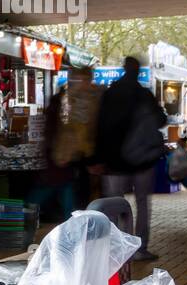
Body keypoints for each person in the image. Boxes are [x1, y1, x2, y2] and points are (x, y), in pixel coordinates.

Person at [95, 55, 167, 259]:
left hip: (114, 162)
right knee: (143, 204)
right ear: (137, 71)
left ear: (123, 69)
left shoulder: (110, 94)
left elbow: (99, 127)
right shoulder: (144, 94)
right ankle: (140, 248)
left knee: (115, 205)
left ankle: (118, 249)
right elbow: (160, 120)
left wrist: (98, 159)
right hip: (142, 161)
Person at [35, 64, 101, 220]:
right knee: (64, 190)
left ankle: (70, 221)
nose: (83, 83)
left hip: (74, 157)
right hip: (68, 156)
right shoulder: (69, 99)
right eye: (80, 79)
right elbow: (67, 130)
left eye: (85, 79)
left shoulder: (81, 99)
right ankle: (70, 221)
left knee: (65, 190)